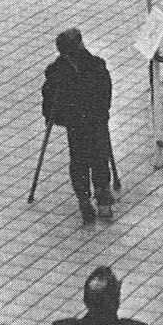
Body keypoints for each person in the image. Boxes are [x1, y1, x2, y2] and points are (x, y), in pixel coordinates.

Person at [42, 27, 114, 226]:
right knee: (100, 158)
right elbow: (105, 94)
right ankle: (103, 199)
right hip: (96, 122)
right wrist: (103, 114)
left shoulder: (56, 72)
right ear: (80, 44)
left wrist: (54, 118)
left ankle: (84, 201)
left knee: (79, 161)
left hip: (75, 126)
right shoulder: (95, 66)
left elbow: (48, 100)